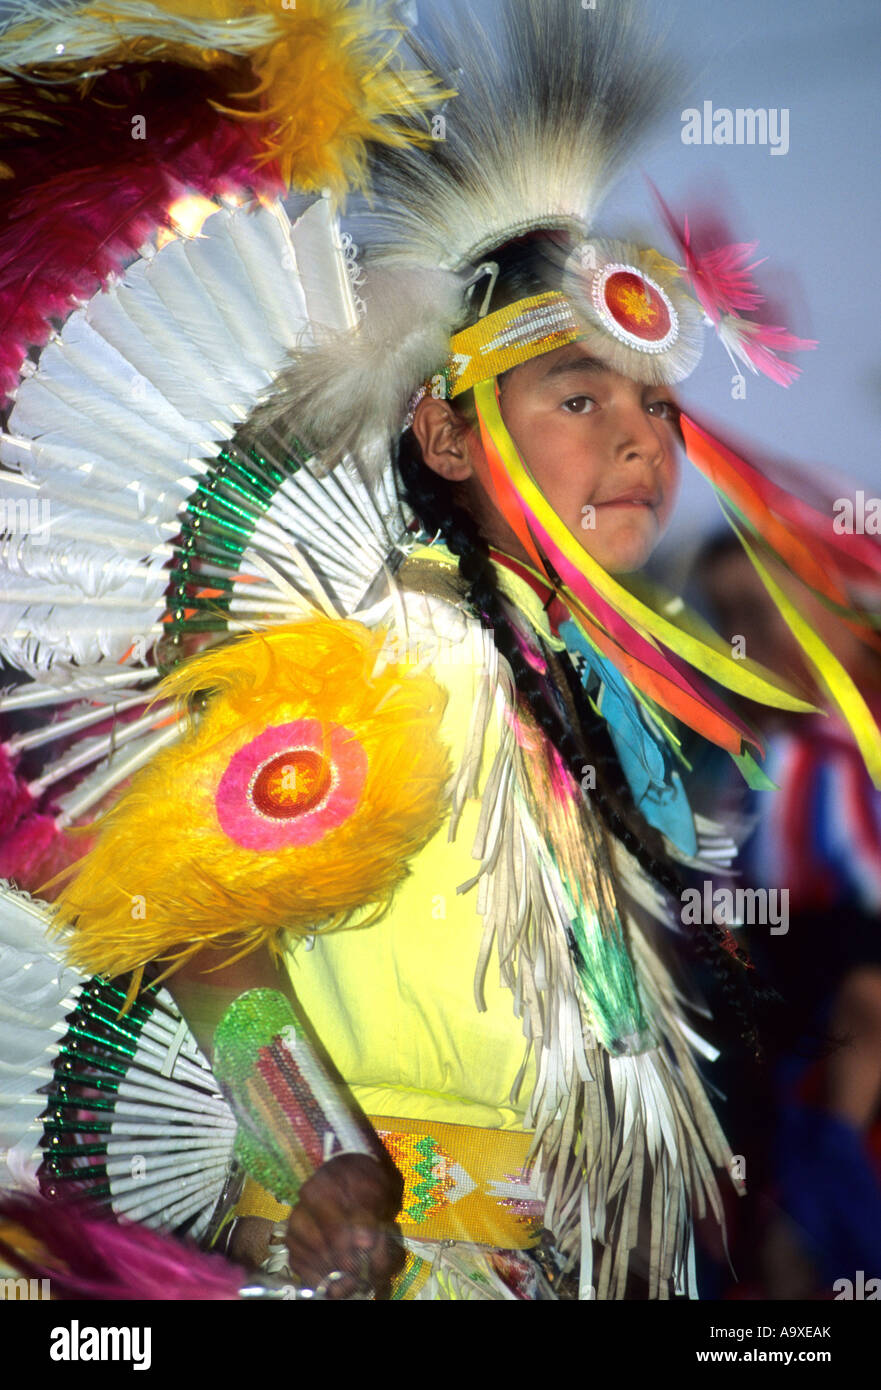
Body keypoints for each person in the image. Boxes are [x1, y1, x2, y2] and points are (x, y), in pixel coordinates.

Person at [1, 0, 879, 1302]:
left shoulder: (604, 702)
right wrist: (323, 1157)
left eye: (652, 405)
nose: (638, 440)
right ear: (448, 433)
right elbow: (197, 930)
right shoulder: (387, 637)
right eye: (576, 397)